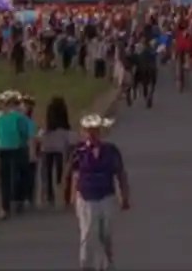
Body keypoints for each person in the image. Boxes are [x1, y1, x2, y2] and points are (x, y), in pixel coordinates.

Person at [65, 114, 130, 271]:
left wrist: (124, 195)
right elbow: (73, 174)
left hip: (106, 195)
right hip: (86, 197)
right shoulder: (78, 152)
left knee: (105, 233)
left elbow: (120, 173)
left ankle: (108, 262)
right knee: (87, 233)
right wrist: (71, 196)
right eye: (88, 131)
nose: (92, 134)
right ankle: (86, 265)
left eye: (95, 130)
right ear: (83, 132)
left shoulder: (111, 150)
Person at [0, 90, 31, 219]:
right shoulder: (20, 117)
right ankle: (15, 201)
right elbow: (24, 133)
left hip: (4, 149)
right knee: (15, 176)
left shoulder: (0, 118)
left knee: (5, 179)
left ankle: (5, 206)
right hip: (16, 149)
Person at [40, 97, 79, 207]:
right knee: (62, 172)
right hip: (61, 148)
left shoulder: (48, 128)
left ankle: (49, 195)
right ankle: (64, 194)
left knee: (47, 173)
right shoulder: (65, 130)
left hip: (47, 148)